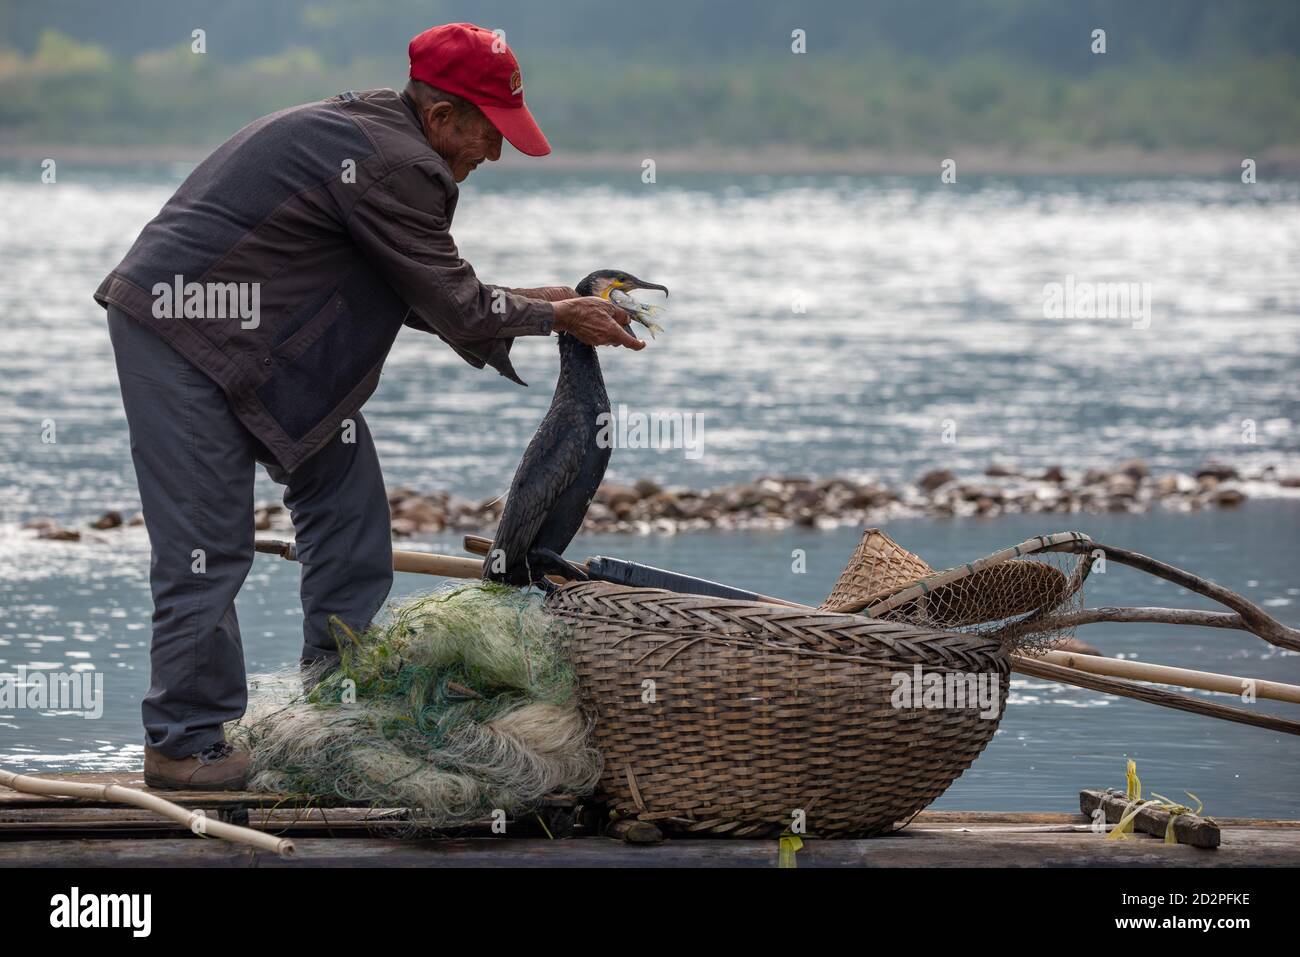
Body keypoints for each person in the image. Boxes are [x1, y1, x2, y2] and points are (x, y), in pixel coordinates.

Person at [93, 22, 641, 790]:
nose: (494, 154)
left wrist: (539, 300)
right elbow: (452, 299)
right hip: (179, 333)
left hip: (266, 345)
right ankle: (183, 746)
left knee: (350, 513)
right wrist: (556, 317)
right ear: (444, 117)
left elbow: (415, 283)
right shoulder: (397, 163)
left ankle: (336, 696)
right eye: (489, 133)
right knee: (206, 547)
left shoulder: (382, 144)